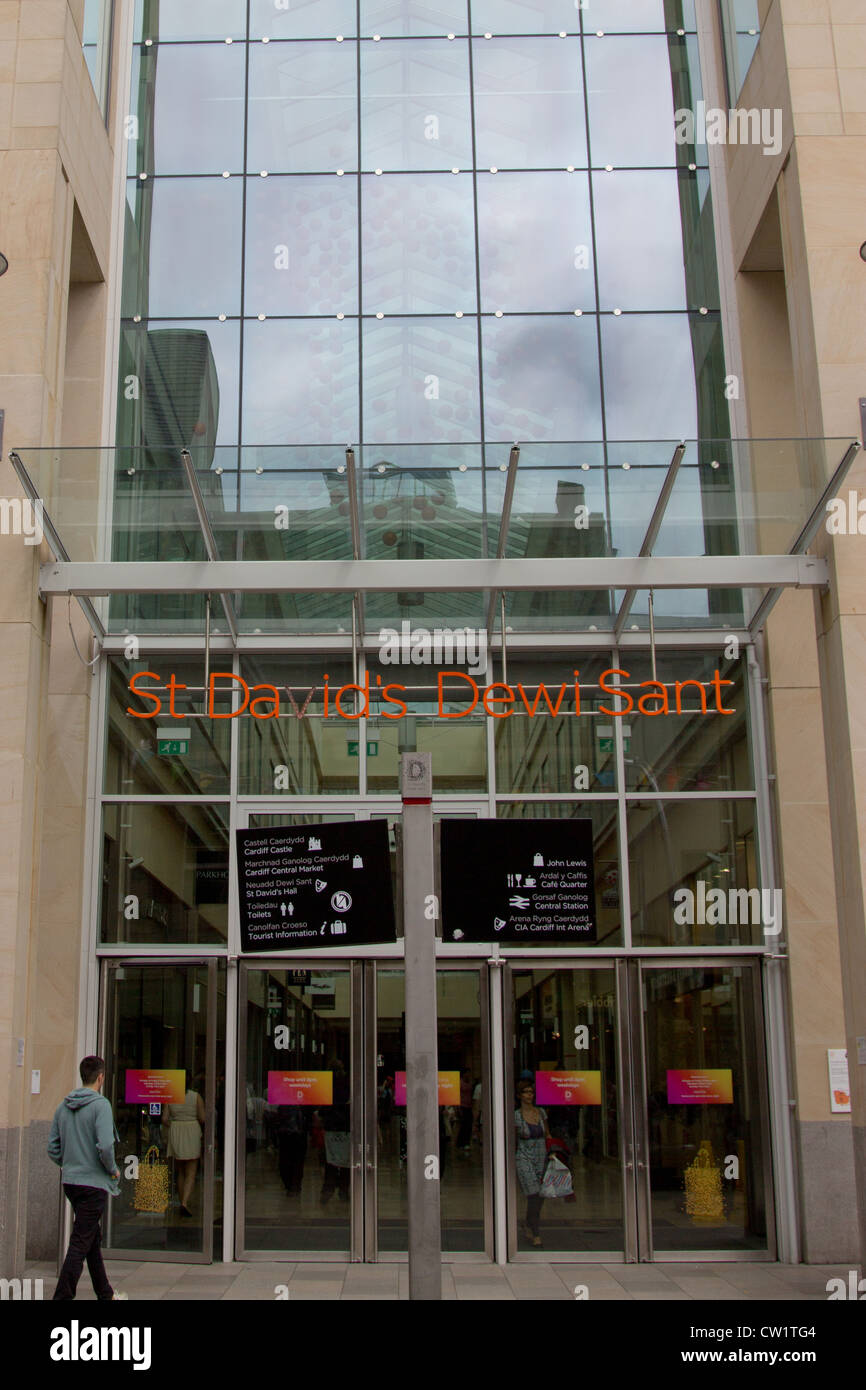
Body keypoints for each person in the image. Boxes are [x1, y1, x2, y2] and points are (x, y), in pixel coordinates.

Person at [47, 1055, 128, 1301]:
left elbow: (53, 1148)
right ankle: (62, 1296)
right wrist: (113, 1169)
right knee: (81, 1241)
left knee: (91, 1236)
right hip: (93, 1184)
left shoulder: (63, 1106)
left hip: (71, 1181)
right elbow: (105, 1146)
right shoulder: (100, 1105)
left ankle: (105, 1294)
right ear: (101, 1077)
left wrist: (71, 1164)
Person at [515, 1079, 549, 1248]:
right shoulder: (516, 1115)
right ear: (519, 1095)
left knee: (540, 1195)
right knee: (533, 1194)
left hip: (541, 1156)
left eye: (531, 1092)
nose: (529, 1095)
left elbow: (547, 1134)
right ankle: (535, 1232)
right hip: (524, 1156)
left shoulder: (541, 1112)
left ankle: (529, 1223)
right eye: (526, 1092)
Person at [163, 1081, 206, 1216]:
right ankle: (184, 1203)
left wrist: (175, 1124)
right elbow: (203, 1118)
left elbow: (164, 1119)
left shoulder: (170, 1096)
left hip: (176, 1130)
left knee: (180, 1170)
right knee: (191, 1171)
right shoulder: (196, 1096)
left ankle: (182, 1200)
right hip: (192, 1130)